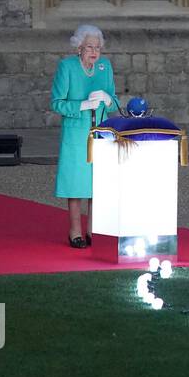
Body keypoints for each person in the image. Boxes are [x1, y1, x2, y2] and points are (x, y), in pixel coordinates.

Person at [51, 24, 117, 248]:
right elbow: (57, 103)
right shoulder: (67, 67)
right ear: (79, 47)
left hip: (101, 131)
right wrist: (83, 105)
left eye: (97, 47)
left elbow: (114, 100)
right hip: (76, 133)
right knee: (76, 183)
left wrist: (108, 100)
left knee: (97, 184)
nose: (94, 52)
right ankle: (75, 231)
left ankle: (94, 229)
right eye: (89, 47)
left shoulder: (104, 67)